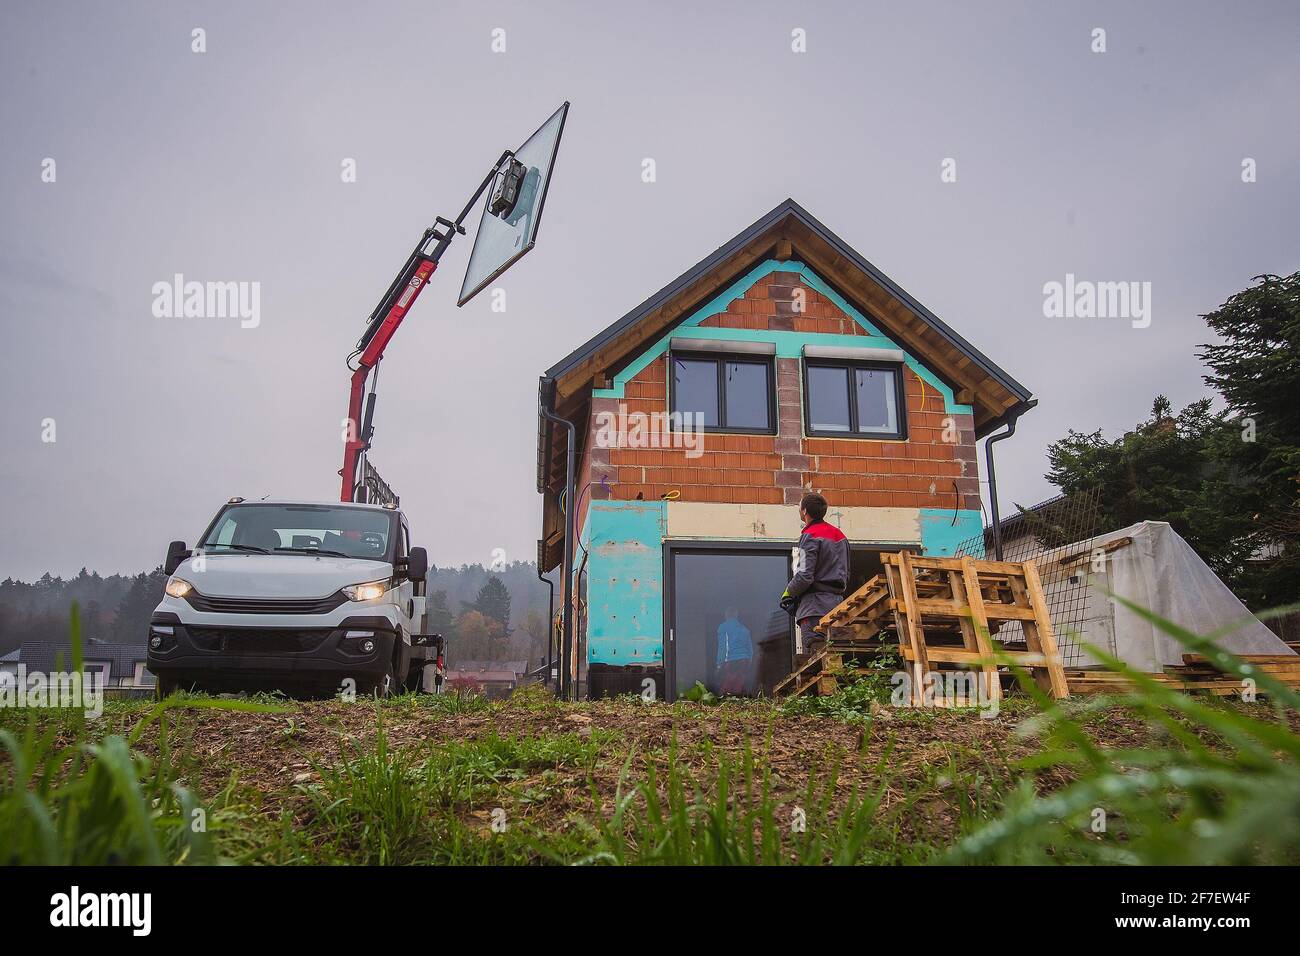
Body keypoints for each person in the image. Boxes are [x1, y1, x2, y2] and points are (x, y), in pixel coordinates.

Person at [781, 492, 849, 656]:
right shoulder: (840, 536)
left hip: (813, 610)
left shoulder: (809, 535)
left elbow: (804, 575)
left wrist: (788, 593)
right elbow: (846, 572)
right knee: (834, 658)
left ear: (804, 511)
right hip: (836, 607)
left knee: (814, 660)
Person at [715, 606, 753, 695]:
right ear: (736, 615)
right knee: (739, 682)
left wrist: (719, 664)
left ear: (726, 615)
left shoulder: (723, 627)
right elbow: (750, 650)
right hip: (743, 660)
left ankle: (724, 702)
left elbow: (722, 647)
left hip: (730, 661)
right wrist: (749, 662)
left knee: (727, 683)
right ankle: (738, 702)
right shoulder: (745, 629)